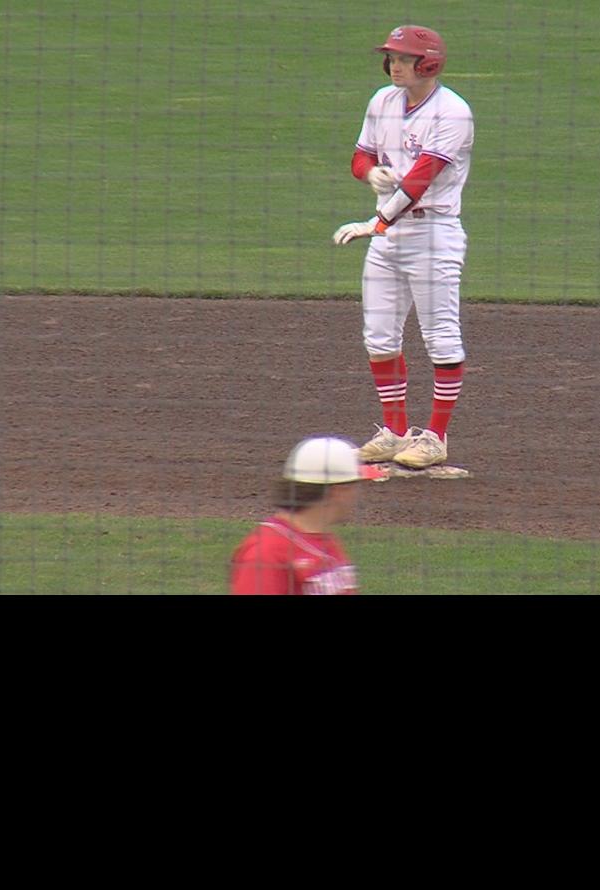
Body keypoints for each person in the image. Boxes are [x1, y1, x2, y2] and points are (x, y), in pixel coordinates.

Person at [331, 24, 476, 470]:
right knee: (378, 336)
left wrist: (376, 220)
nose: (394, 64)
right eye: (391, 57)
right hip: (387, 235)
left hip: (433, 235)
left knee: (441, 338)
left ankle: (435, 437)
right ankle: (394, 431)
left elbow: (420, 179)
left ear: (427, 63)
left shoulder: (453, 113)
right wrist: (368, 174)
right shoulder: (381, 101)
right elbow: (361, 155)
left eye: (403, 58)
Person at [230, 436, 382, 595]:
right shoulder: (266, 554)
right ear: (338, 492)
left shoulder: (324, 539)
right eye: (354, 487)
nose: (357, 495)